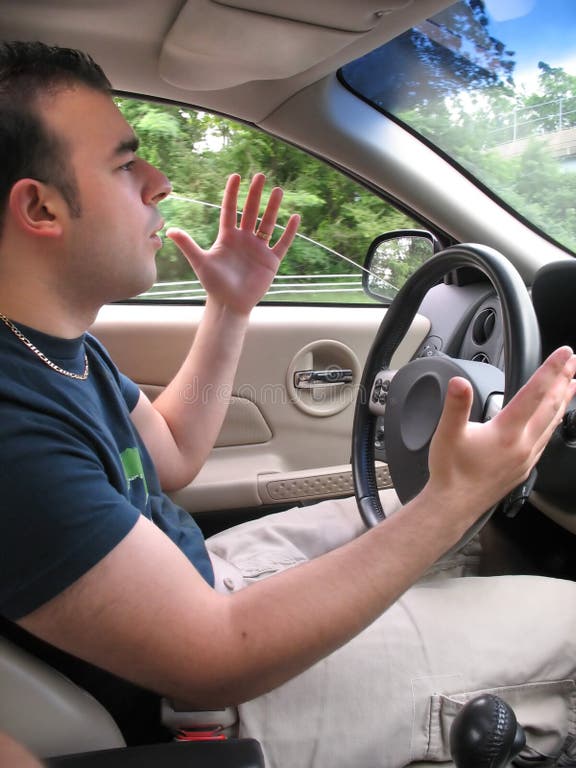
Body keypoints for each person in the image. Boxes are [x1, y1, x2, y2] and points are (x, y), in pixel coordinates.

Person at [1, 40, 576, 767]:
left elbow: (172, 452)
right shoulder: (11, 428)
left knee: (459, 528)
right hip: (209, 696)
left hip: (200, 581)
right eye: (125, 163)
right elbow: (213, 654)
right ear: (40, 207)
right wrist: (455, 497)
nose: (160, 182)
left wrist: (231, 308)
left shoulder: (50, 346)